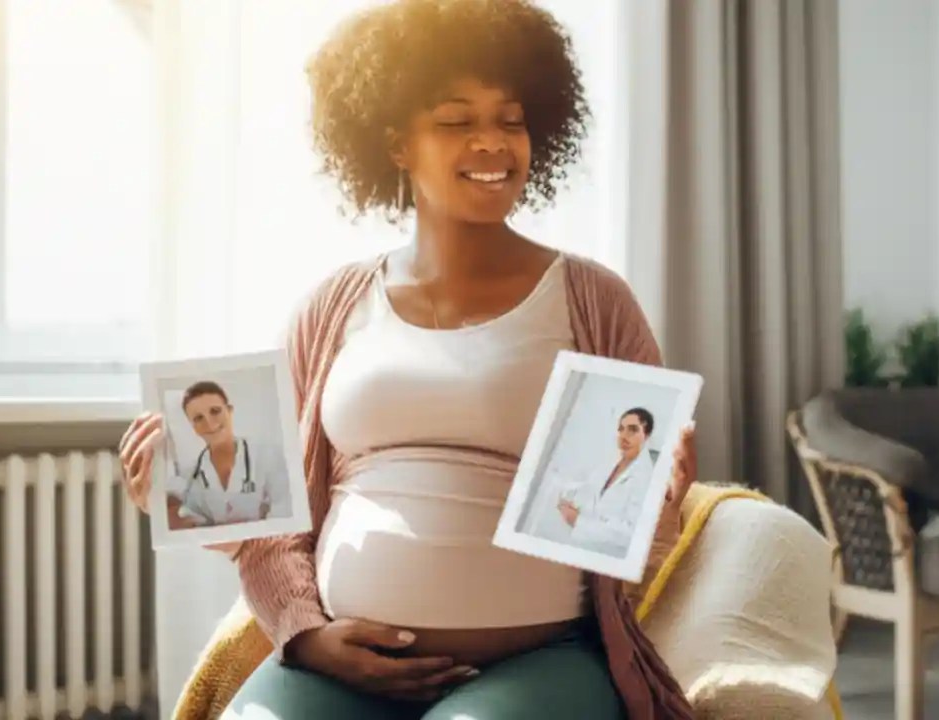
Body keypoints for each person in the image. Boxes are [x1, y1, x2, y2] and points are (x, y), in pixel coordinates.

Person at [116, 1, 698, 718]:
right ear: (394, 143)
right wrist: (303, 634)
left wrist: (657, 506)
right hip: (337, 662)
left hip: (539, 661)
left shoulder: (595, 302)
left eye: (510, 119)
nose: (492, 143)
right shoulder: (330, 309)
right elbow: (275, 529)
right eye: (457, 122)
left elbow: (625, 545)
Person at [163, 381, 290, 529]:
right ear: (194, 427)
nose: (209, 423)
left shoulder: (267, 455)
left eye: (215, 411)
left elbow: (284, 513)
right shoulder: (192, 477)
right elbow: (193, 523)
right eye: (198, 418)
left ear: (229, 411)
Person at [557, 408, 656, 558]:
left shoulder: (647, 478)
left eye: (633, 430)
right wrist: (571, 503)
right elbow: (590, 492)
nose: (623, 436)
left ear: (647, 436)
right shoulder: (611, 462)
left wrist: (578, 521)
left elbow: (631, 534)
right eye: (621, 429)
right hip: (580, 547)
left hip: (607, 557)